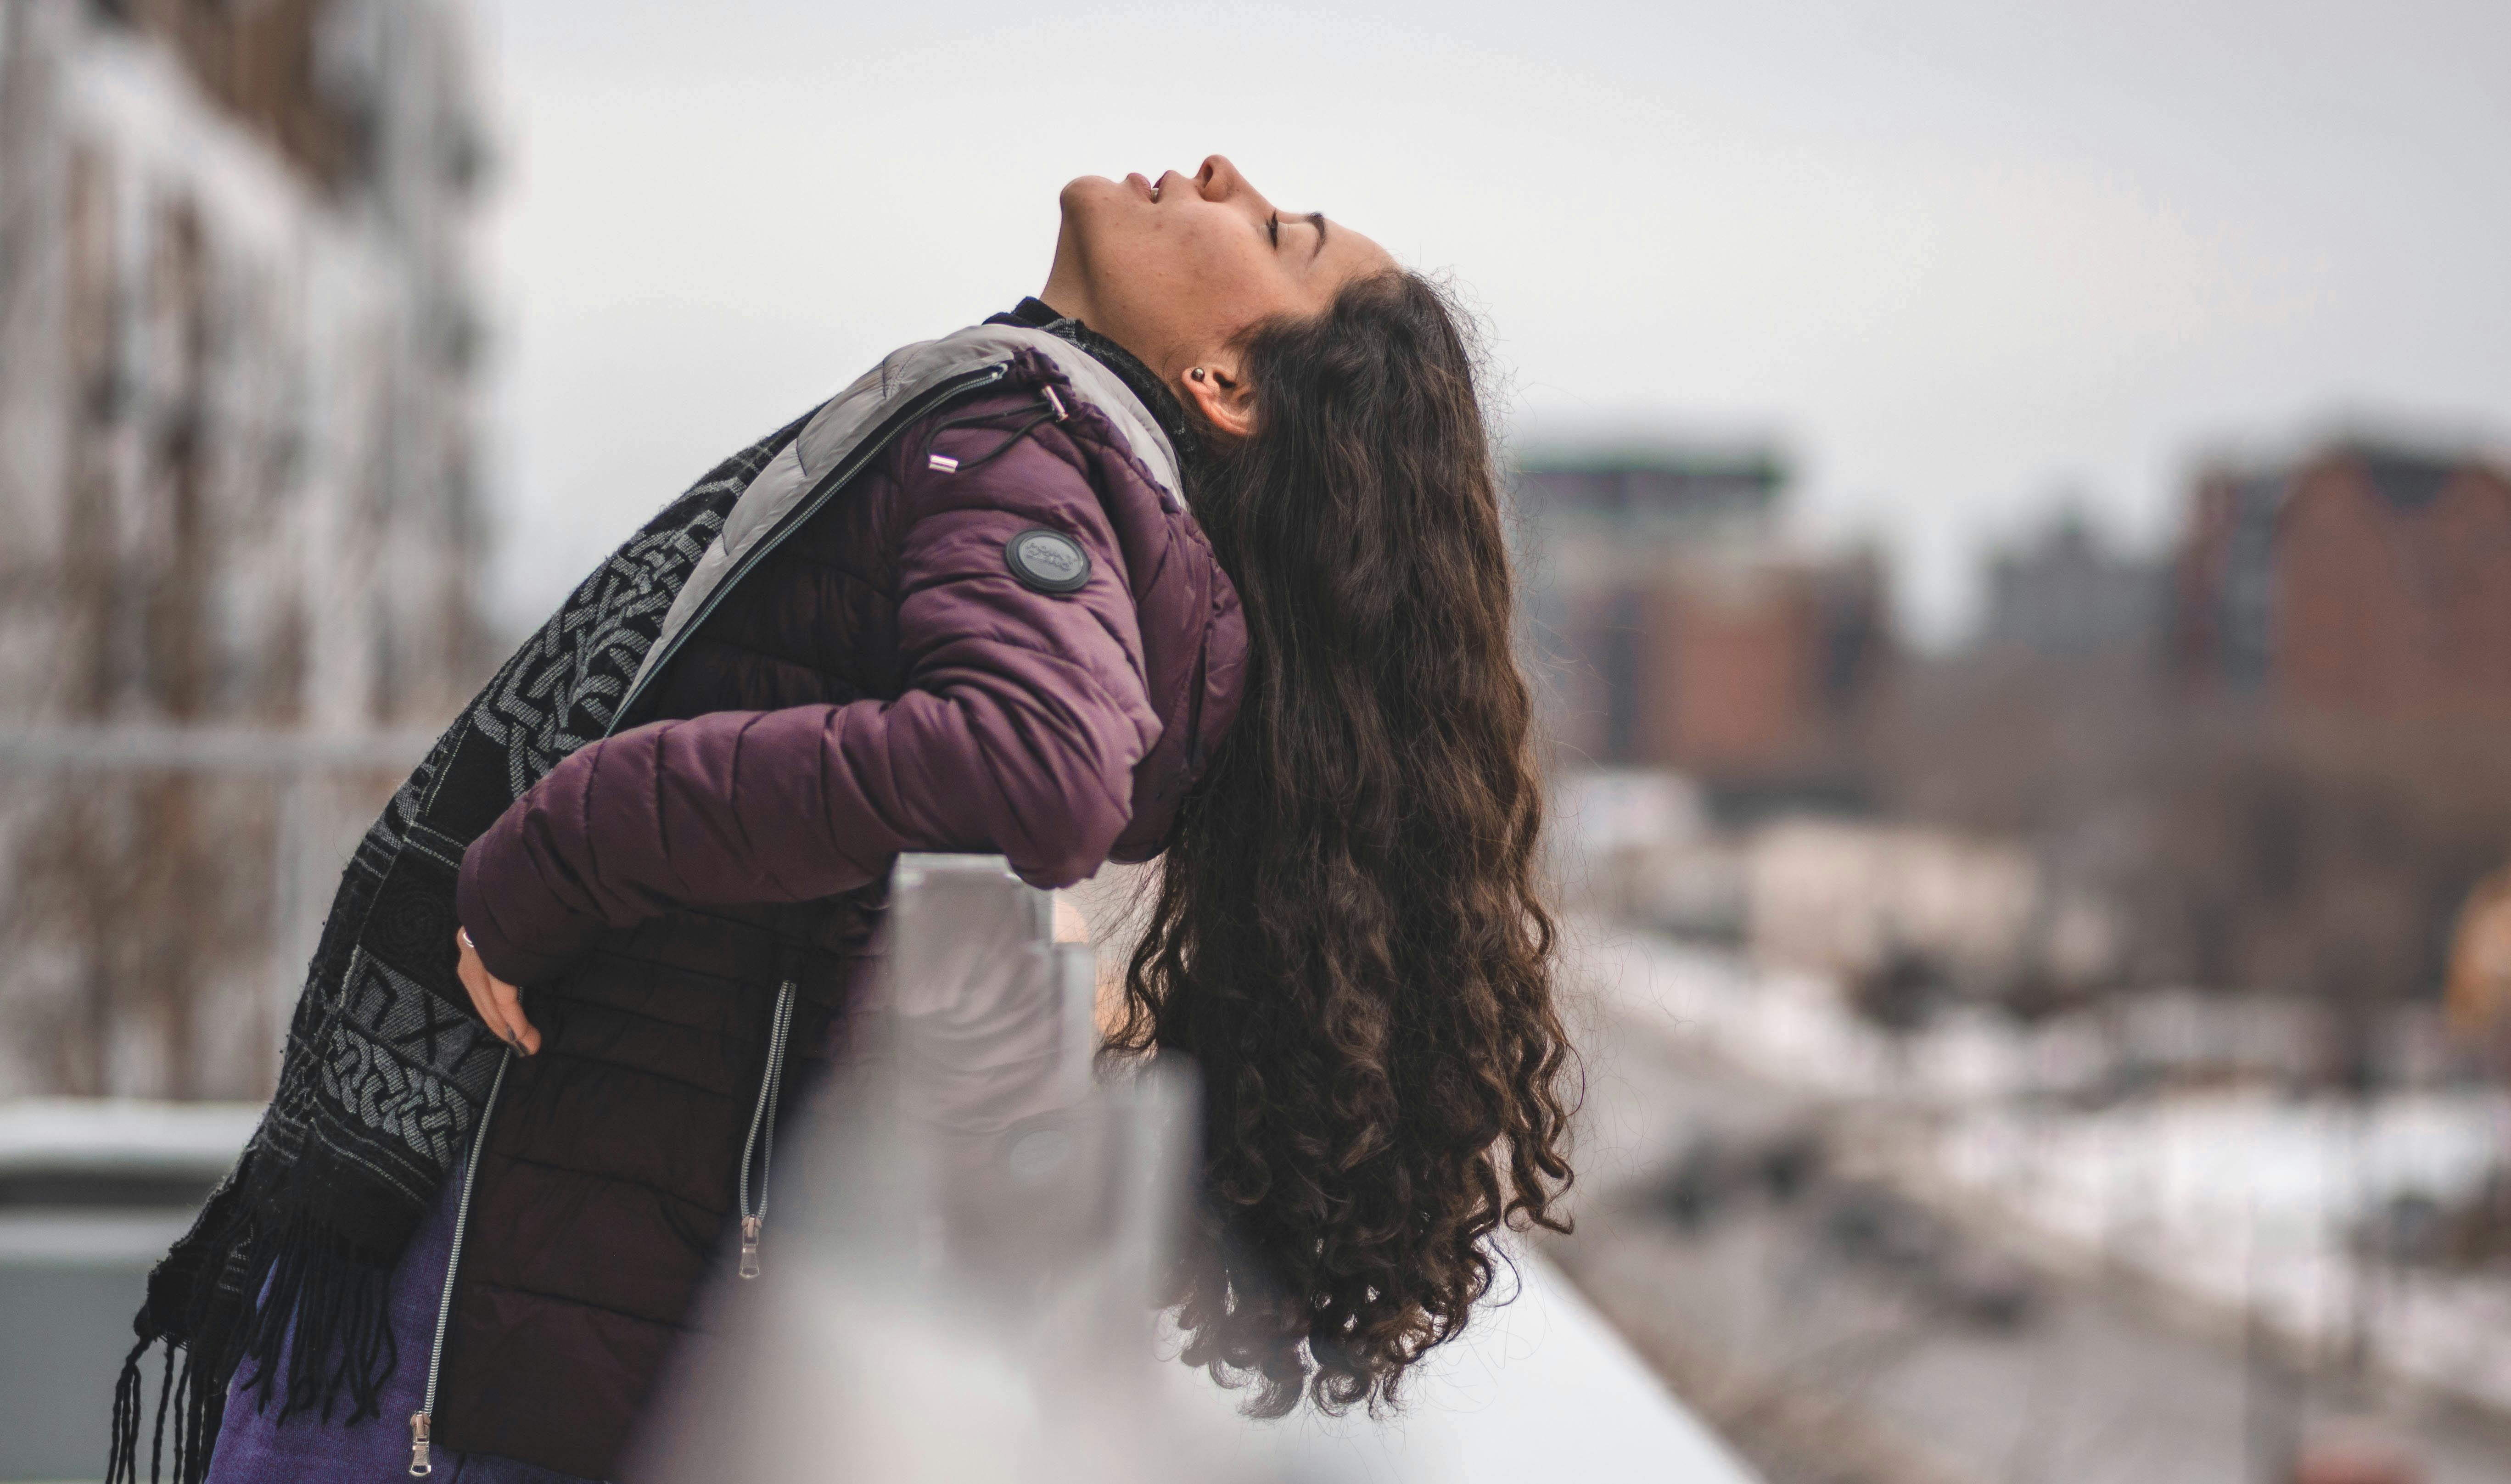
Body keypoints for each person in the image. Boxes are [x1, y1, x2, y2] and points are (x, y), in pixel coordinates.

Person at [112, 156, 1575, 1484]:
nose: (1221, 173)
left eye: (1276, 231)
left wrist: (568, 835)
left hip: (501, 1309)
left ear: (1225, 382)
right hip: (577, 1280)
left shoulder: (1027, 444)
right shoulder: (1042, 454)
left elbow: (1040, 758)